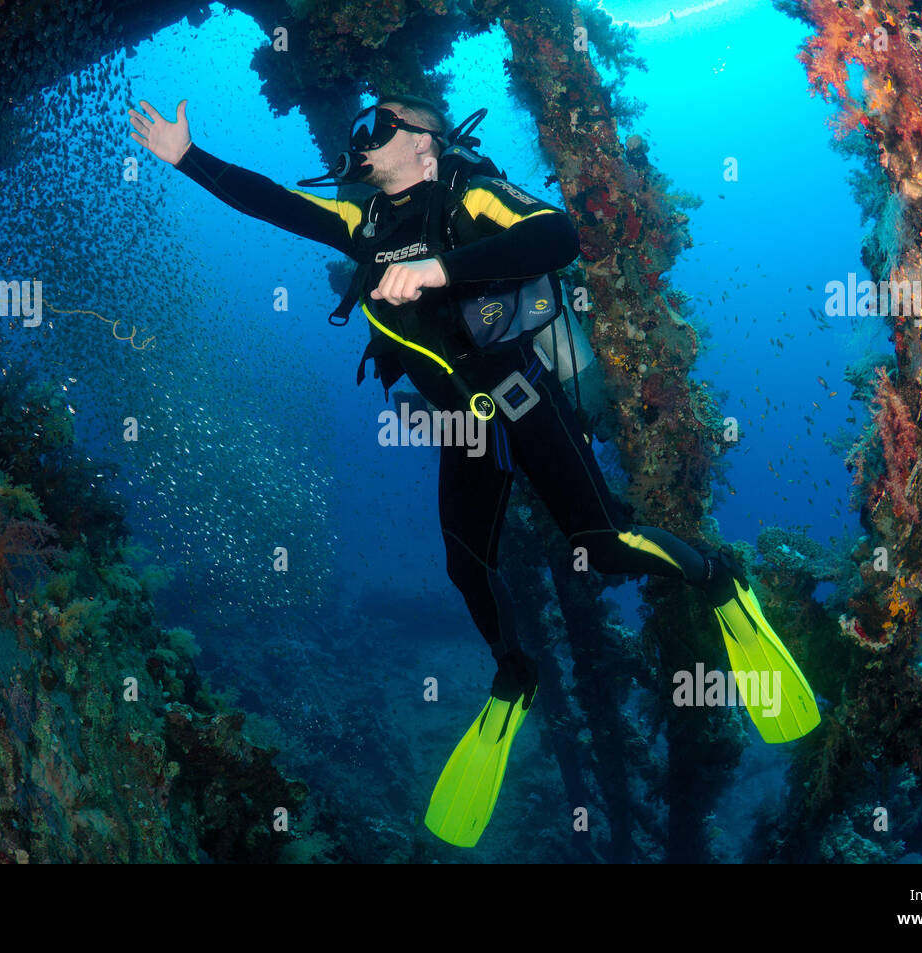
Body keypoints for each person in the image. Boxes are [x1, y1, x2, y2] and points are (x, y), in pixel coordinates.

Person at [129, 93, 819, 848]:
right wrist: (186, 158)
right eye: (359, 123)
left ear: (426, 142)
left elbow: (557, 236)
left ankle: (719, 578)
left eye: (381, 123)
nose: (363, 135)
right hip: (462, 424)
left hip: (522, 396)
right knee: (466, 564)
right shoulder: (365, 219)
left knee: (605, 543)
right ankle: (514, 673)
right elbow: (271, 202)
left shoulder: (469, 192)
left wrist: (438, 268)